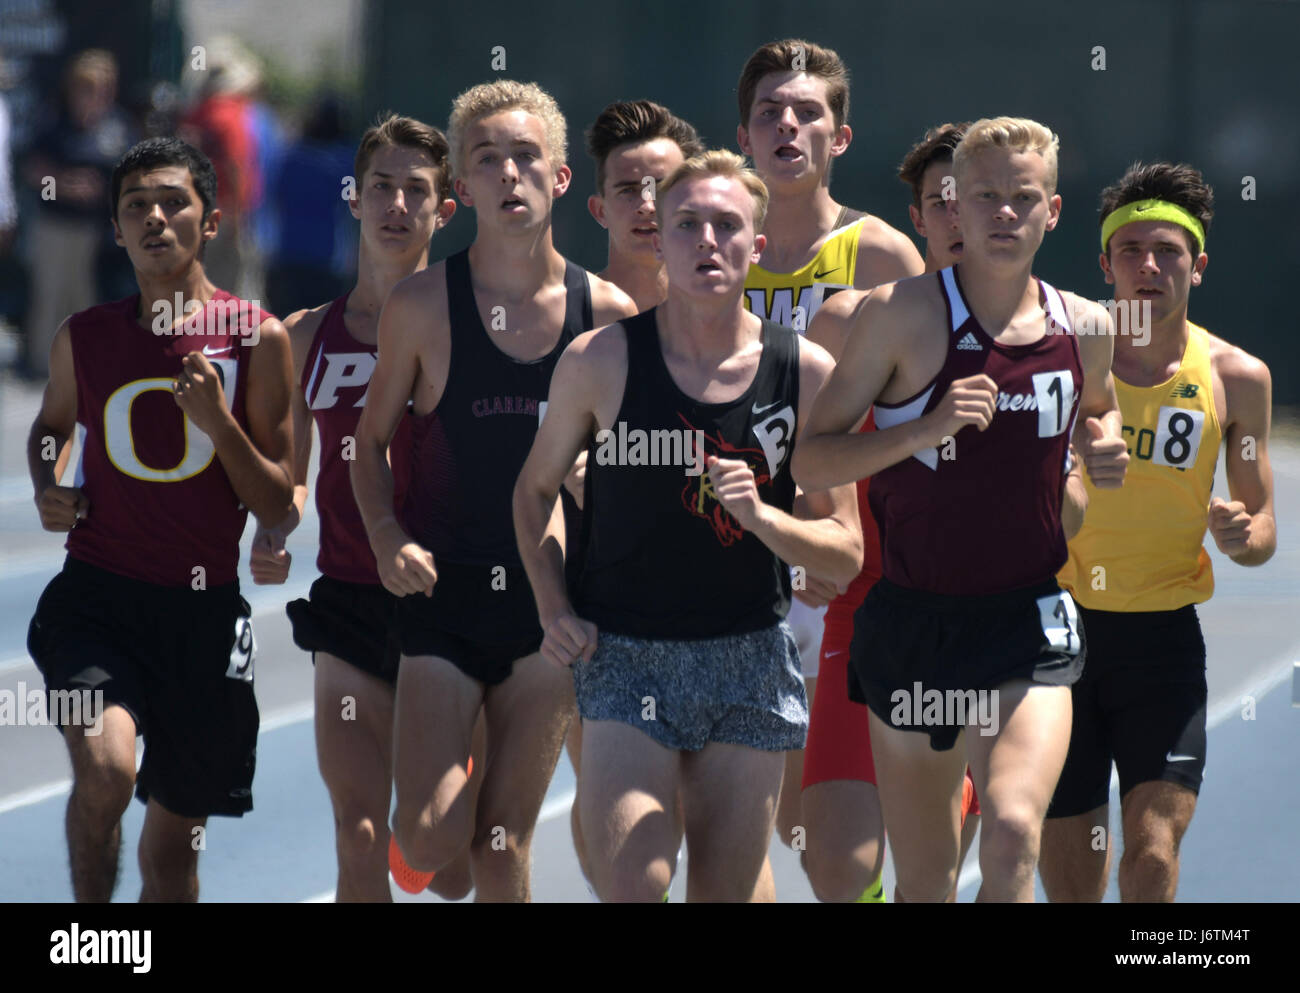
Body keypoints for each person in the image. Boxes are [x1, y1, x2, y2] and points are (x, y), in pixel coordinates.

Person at [794, 117, 1129, 902]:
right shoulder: (898, 316)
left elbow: (1098, 413)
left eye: (1024, 197)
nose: (1004, 214)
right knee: (926, 881)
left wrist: (1095, 458)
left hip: (1028, 618)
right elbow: (812, 455)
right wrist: (926, 427)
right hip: (914, 621)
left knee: (1013, 831)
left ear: (1052, 211)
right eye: (985, 197)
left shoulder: (1085, 324)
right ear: (955, 205)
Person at [514, 149, 862, 902]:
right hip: (624, 654)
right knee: (635, 883)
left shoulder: (804, 371)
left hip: (746, 654)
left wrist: (764, 516)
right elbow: (534, 489)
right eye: (688, 224)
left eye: (727, 225)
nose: (707, 240)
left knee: (723, 893)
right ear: (661, 241)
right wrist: (552, 604)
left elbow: (845, 546)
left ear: (756, 248)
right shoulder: (600, 360)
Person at [351, 80, 636, 902]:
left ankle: (482, 773)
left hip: (551, 606)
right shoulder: (420, 306)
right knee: (433, 842)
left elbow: (638, 463)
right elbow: (366, 445)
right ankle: (451, 777)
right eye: (487, 161)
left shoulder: (607, 313)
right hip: (442, 596)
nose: (508, 175)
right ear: (461, 192)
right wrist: (384, 535)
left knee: (504, 841)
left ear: (557, 181)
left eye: (525, 158)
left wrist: (603, 481)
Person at [26, 136, 293, 902]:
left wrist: (218, 421)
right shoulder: (87, 334)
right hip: (94, 604)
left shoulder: (257, 338)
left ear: (211, 221)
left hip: (202, 623)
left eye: (173, 201)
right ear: (114, 228)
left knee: (173, 860)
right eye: (136, 205)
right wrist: (52, 480)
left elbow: (276, 502)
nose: (154, 217)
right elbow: (51, 427)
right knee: (106, 770)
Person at [248, 114, 479, 901]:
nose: (397, 204)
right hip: (349, 601)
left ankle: (447, 820)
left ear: (444, 213)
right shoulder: (302, 335)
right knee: (356, 829)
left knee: (449, 872)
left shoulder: (474, 329)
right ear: (354, 197)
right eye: (381, 185)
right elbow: (293, 475)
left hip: (451, 610)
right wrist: (274, 528)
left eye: (418, 191)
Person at [1041, 162, 1276, 903]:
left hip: (1163, 641)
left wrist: (1244, 535)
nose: (1150, 266)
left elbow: (1263, 523)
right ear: (1104, 264)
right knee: (1074, 878)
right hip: (1056, 633)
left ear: (1197, 267)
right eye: (1132, 250)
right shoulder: (1059, 359)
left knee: (1149, 851)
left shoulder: (1237, 378)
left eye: (1168, 251)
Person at [735, 40, 924, 887]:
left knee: (833, 839)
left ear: (839, 138)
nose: (789, 124)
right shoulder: (711, 247)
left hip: (849, 561)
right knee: (786, 817)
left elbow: (922, 418)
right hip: (742, 550)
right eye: (771, 110)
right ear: (743, 134)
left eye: (808, 111)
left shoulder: (881, 255)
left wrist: (846, 530)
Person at [564, 97, 703, 891]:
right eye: (628, 189)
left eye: (664, 186)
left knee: (722, 829)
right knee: (622, 824)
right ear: (598, 206)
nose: (647, 206)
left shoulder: (733, 317)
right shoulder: (570, 316)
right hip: (597, 604)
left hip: (725, 602)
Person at [21, 49, 135, 378]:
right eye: (89, 87)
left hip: (100, 227)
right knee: (52, 292)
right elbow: (32, 173)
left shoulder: (117, 125)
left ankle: (86, 364)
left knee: (88, 296)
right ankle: (43, 364)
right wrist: (61, 184)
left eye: (104, 88)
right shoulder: (54, 122)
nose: (97, 95)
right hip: (57, 223)